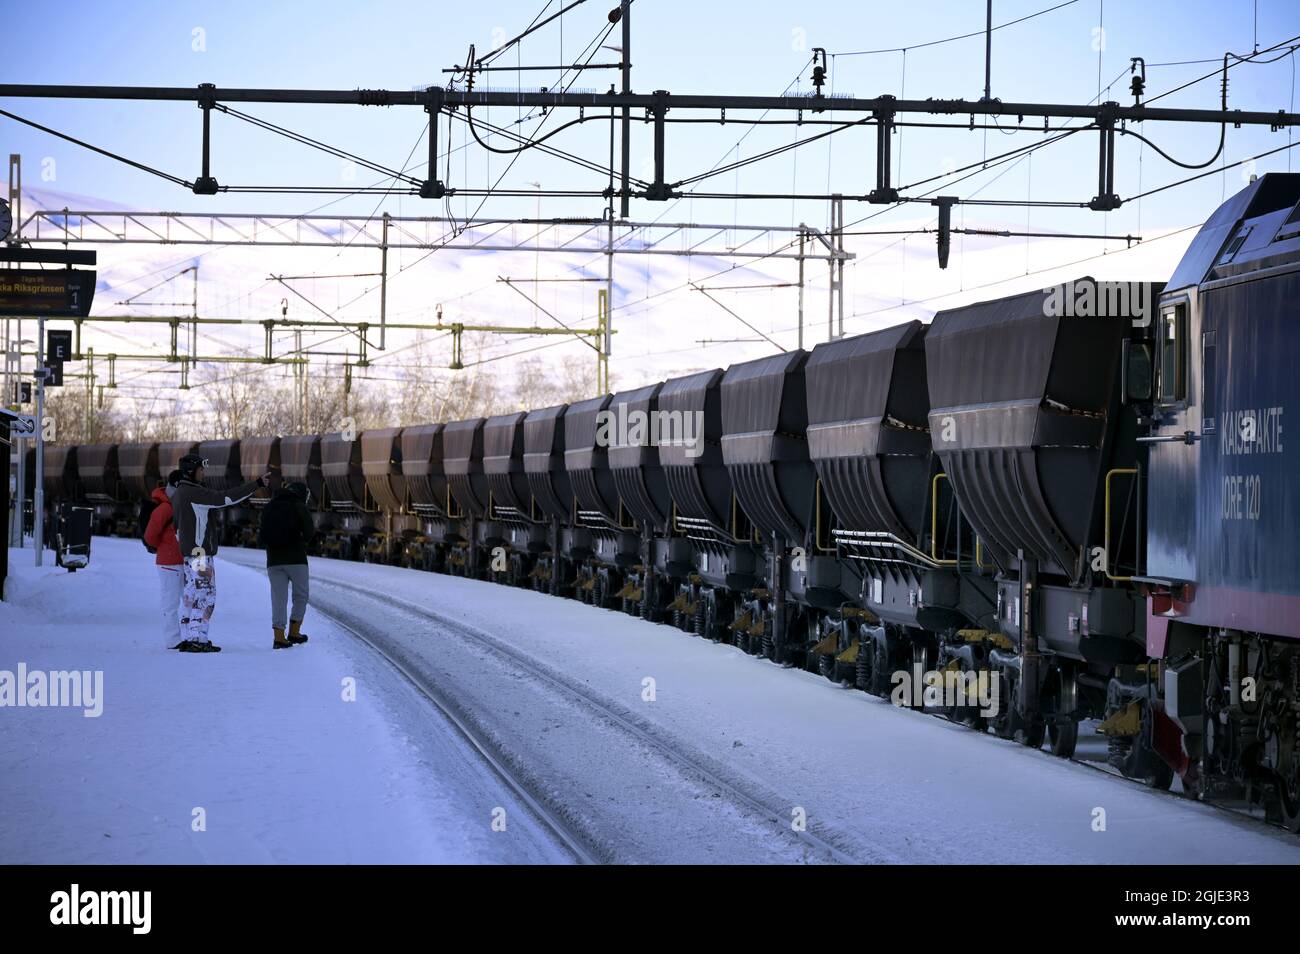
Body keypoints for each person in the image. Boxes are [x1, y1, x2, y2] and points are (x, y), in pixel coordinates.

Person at [171, 453, 270, 653]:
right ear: (191, 472)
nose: (203, 473)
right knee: (206, 595)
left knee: (191, 594)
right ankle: (197, 638)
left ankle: (187, 636)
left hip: (189, 554)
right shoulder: (194, 493)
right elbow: (225, 498)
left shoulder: (178, 493)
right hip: (200, 554)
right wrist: (256, 484)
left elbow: (175, 526)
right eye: (201, 469)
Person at [258, 480, 315, 650]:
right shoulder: (299, 506)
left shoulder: (269, 507)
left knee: (278, 599)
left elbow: (261, 536)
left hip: (274, 561)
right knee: (300, 596)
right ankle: (294, 632)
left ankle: (279, 637)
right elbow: (309, 533)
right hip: (297, 559)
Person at [143, 470, 184, 650]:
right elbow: (150, 536)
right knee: (171, 602)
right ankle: (173, 640)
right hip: (168, 564)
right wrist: (166, 546)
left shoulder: (174, 505)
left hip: (181, 561)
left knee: (186, 601)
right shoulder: (165, 509)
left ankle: (187, 636)